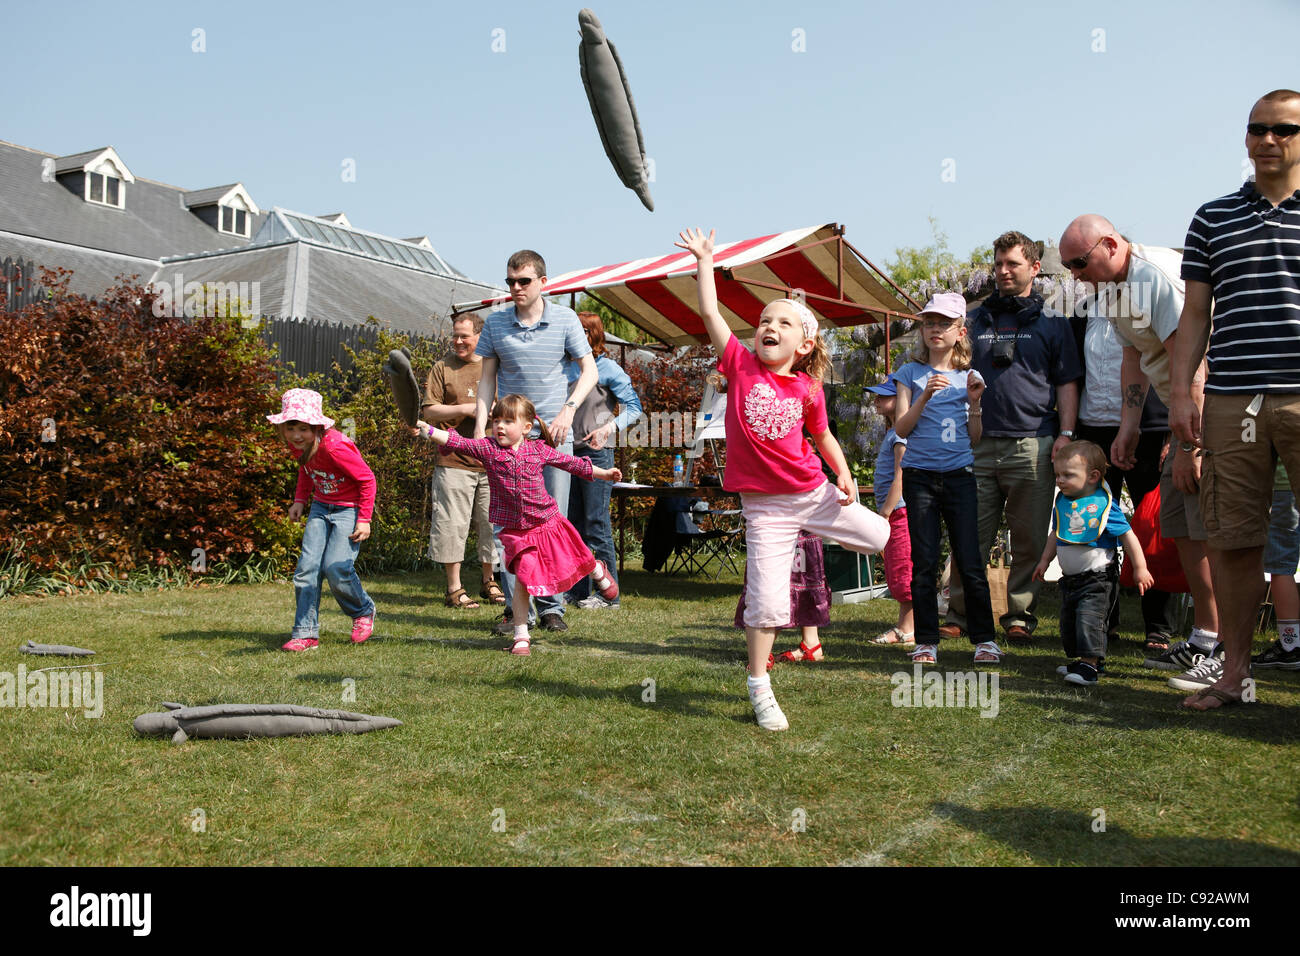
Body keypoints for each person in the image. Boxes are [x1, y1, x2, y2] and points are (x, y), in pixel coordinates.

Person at [676, 227, 890, 732]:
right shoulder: (740, 364)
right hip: (767, 508)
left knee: (883, 535)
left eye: (782, 322)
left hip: (813, 495)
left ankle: (928, 597)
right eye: (763, 320)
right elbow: (710, 312)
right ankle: (759, 688)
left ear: (805, 341)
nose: (768, 327)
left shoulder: (809, 388)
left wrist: (842, 473)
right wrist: (706, 261)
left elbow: (824, 437)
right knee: (769, 605)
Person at [1171, 89, 1300, 709]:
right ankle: (1235, 675)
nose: (1268, 139)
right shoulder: (1211, 218)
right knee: (1233, 541)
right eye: (1257, 129)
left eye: (1283, 129)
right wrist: (1179, 395)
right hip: (1231, 403)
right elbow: (1194, 318)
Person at [1059, 214, 1221, 672]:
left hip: (1211, 412)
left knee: (1209, 530)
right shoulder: (1110, 289)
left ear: (1110, 245)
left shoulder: (1155, 278)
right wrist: (1129, 425)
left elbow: (1189, 363)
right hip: (1183, 416)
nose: (1073, 274)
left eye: (1079, 262)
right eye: (1069, 265)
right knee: (1182, 529)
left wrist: (1190, 444)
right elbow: (1135, 354)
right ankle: (1205, 637)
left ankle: (1221, 646)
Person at [943, 232, 1082, 645]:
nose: (1003, 271)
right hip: (977, 443)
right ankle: (960, 614)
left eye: (1013, 264)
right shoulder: (974, 319)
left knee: (1028, 539)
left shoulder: (1054, 322)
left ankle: (1020, 615)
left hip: (1034, 444)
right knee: (970, 534)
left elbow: (1068, 382)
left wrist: (1067, 434)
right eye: (999, 264)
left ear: (1034, 268)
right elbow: (951, 372)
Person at [415, 394, 620, 656]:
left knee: (576, 556)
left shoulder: (538, 449)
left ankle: (598, 571)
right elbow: (457, 441)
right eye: (496, 420)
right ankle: (521, 635)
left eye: (508, 421)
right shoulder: (487, 448)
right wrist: (428, 430)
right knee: (523, 579)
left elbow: (572, 464)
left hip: (549, 522)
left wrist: (603, 473)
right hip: (516, 532)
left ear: (526, 427)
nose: (500, 425)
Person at [474, 250, 599, 634]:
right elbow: (486, 382)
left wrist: (567, 410)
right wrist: (481, 430)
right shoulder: (496, 324)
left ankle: (551, 607)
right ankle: (517, 613)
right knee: (509, 528)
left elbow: (589, 370)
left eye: (524, 281)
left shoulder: (564, 319)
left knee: (550, 523)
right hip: (508, 440)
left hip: (553, 437)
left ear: (543, 282)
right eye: (510, 281)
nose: (515, 288)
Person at [892, 292, 997, 665]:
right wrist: (924, 397)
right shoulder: (908, 373)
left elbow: (975, 437)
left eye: (944, 324)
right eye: (929, 322)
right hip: (919, 477)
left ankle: (984, 640)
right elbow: (900, 428)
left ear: (960, 331)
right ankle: (926, 641)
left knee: (970, 560)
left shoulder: (970, 376)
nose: (935, 329)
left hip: (959, 477)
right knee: (923, 561)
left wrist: (975, 403)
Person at [1069, 295, 1176, 651]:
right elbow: (1071, 371)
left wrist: (1169, 434)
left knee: (1151, 527)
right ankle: (1101, 620)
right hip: (1094, 430)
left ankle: (1158, 626)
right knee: (1097, 530)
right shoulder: (1081, 311)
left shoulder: (1145, 305)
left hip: (1146, 431)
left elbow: (1169, 365)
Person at [1033, 440, 1154, 686]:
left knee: (1091, 620)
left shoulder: (1105, 508)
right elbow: (1056, 534)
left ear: (1093, 476)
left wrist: (1140, 568)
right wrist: (1045, 560)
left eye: (1068, 475)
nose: (1060, 480)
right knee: (1071, 622)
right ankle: (1084, 660)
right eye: (1057, 475)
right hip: (1070, 580)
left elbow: (1128, 536)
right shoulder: (1064, 502)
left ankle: (1090, 666)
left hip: (1097, 578)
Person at [268, 388, 377, 651]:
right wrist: (299, 500)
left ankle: (362, 610)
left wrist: (364, 519)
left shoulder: (336, 447)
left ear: (316, 426)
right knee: (307, 569)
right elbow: (307, 471)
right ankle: (305, 633)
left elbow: (367, 479)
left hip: (348, 509)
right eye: (290, 427)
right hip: (320, 507)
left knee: (336, 568)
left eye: (303, 428)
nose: (296, 435)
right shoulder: (300, 446)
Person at [421, 314, 501, 610]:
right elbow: (429, 411)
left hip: (492, 460)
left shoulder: (494, 365)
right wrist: (469, 408)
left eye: (464, 336)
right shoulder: (443, 368)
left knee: (492, 524)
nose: (457, 341)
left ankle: (489, 581)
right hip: (453, 460)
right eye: (454, 336)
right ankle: (454, 588)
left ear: (480, 335)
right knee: (452, 525)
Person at [564, 311, 643, 609]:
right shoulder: (562, 368)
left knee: (596, 524)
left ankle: (609, 596)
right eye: (575, 330)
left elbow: (634, 407)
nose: (579, 335)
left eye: (585, 330)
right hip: (565, 454)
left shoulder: (606, 368)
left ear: (595, 335)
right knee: (573, 524)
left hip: (596, 452)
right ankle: (578, 590)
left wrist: (609, 427)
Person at [865, 378, 915, 648]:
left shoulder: (900, 434)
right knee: (897, 568)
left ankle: (908, 630)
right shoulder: (894, 430)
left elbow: (901, 475)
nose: (876, 401)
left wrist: (884, 513)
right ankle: (907, 626)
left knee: (902, 569)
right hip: (894, 511)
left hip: (898, 511)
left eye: (883, 396)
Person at [734, 531, 830, 666]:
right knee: (801, 577)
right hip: (800, 522)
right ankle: (811, 642)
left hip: (784, 525)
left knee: (779, 582)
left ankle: (763, 652)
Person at [1257, 463, 1300, 670]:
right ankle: (1290, 644)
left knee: (1280, 565)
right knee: (1282, 565)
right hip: (1287, 484)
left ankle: (1290, 645)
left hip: (1284, 484)